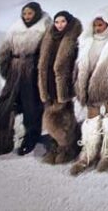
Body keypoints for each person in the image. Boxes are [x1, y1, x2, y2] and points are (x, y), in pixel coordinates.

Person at [0, 2, 50, 158]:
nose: (26, 16)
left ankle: (31, 139)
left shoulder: (45, 28)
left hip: (32, 71)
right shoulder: (15, 28)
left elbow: (48, 53)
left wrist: (42, 74)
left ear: (37, 13)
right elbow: (5, 51)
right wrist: (7, 71)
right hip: (14, 72)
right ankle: (2, 142)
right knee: (3, 107)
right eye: (24, 13)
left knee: (32, 108)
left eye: (30, 13)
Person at [70, 7, 108, 175]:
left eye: (100, 25)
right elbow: (80, 65)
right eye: (95, 25)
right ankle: (87, 155)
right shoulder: (86, 40)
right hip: (90, 88)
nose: (97, 28)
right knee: (91, 121)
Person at [37, 10, 82, 165]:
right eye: (57, 22)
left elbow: (78, 63)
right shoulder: (50, 36)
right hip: (49, 82)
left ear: (68, 22)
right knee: (53, 118)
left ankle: (67, 147)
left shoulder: (75, 38)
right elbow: (43, 62)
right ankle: (57, 145)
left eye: (63, 21)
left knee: (63, 118)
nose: (60, 25)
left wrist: (73, 83)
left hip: (64, 84)